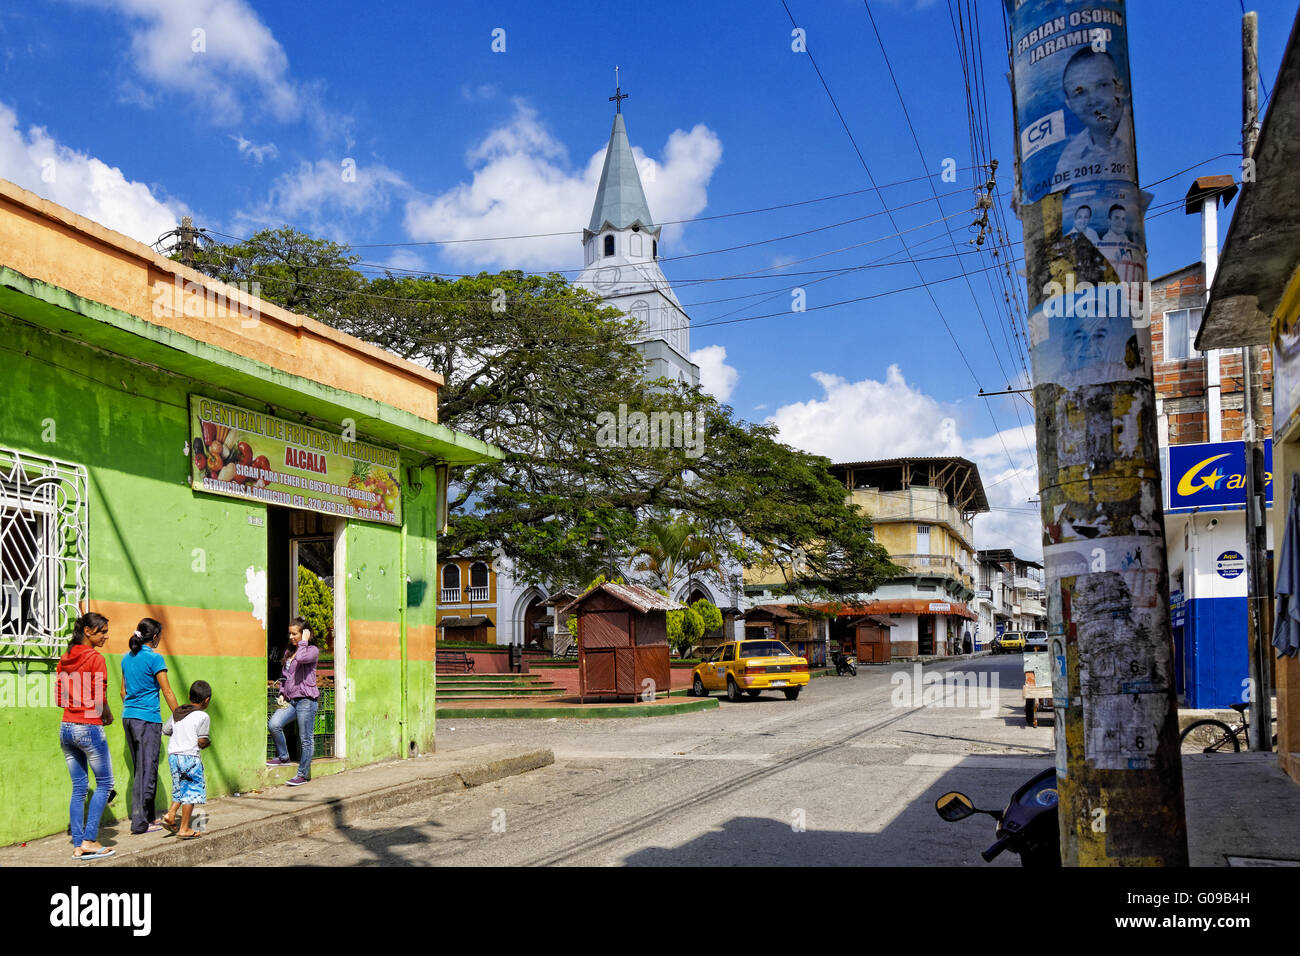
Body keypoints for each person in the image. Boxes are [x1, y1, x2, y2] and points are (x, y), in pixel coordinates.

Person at [56, 611, 117, 861]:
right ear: (88, 632)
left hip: (66, 728)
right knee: (105, 783)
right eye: (102, 631)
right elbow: (100, 698)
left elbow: (60, 699)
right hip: (88, 727)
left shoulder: (64, 658)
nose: (106, 635)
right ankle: (90, 840)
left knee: (79, 788)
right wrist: (107, 715)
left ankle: (78, 845)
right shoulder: (95, 659)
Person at [119, 617, 179, 835]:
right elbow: (168, 691)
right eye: (160, 636)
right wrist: (180, 716)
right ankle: (140, 823)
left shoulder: (127, 659)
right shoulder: (155, 659)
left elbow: (123, 692)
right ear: (154, 637)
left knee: (140, 770)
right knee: (148, 771)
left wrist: (133, 708)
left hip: (129, 718)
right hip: (147, 720)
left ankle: (147, 817)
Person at [1054, 48, 1134, 184]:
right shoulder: (1069, 158)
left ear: (1119, 86)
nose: (1093, 100)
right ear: (1070, 105)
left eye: (1102, 85)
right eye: (1080, 93)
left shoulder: (1139, 135)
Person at [267, 617, 320, 786]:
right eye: (289, 633)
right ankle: (284, 757)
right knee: (274, 724)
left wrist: (304, 641)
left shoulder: (311, 650)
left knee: (306, 739)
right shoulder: (289, 652)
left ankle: (303, 775)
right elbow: (286, 675)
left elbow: (303, 659)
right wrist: (282, 692)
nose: (291, 637)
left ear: (305, 633)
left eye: (294, 633)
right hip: (291, 700)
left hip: (306, 700)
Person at [161, 680, 212, 840]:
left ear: (189, 696)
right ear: (207, 700)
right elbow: (202, 741)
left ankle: (170, 814)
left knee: (179, 788)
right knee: (191, 791)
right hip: (189, 756)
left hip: (174, 756)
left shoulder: (177, 712)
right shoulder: (203, 716)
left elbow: (166, 730)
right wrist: (206, 742)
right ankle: (184, 828)